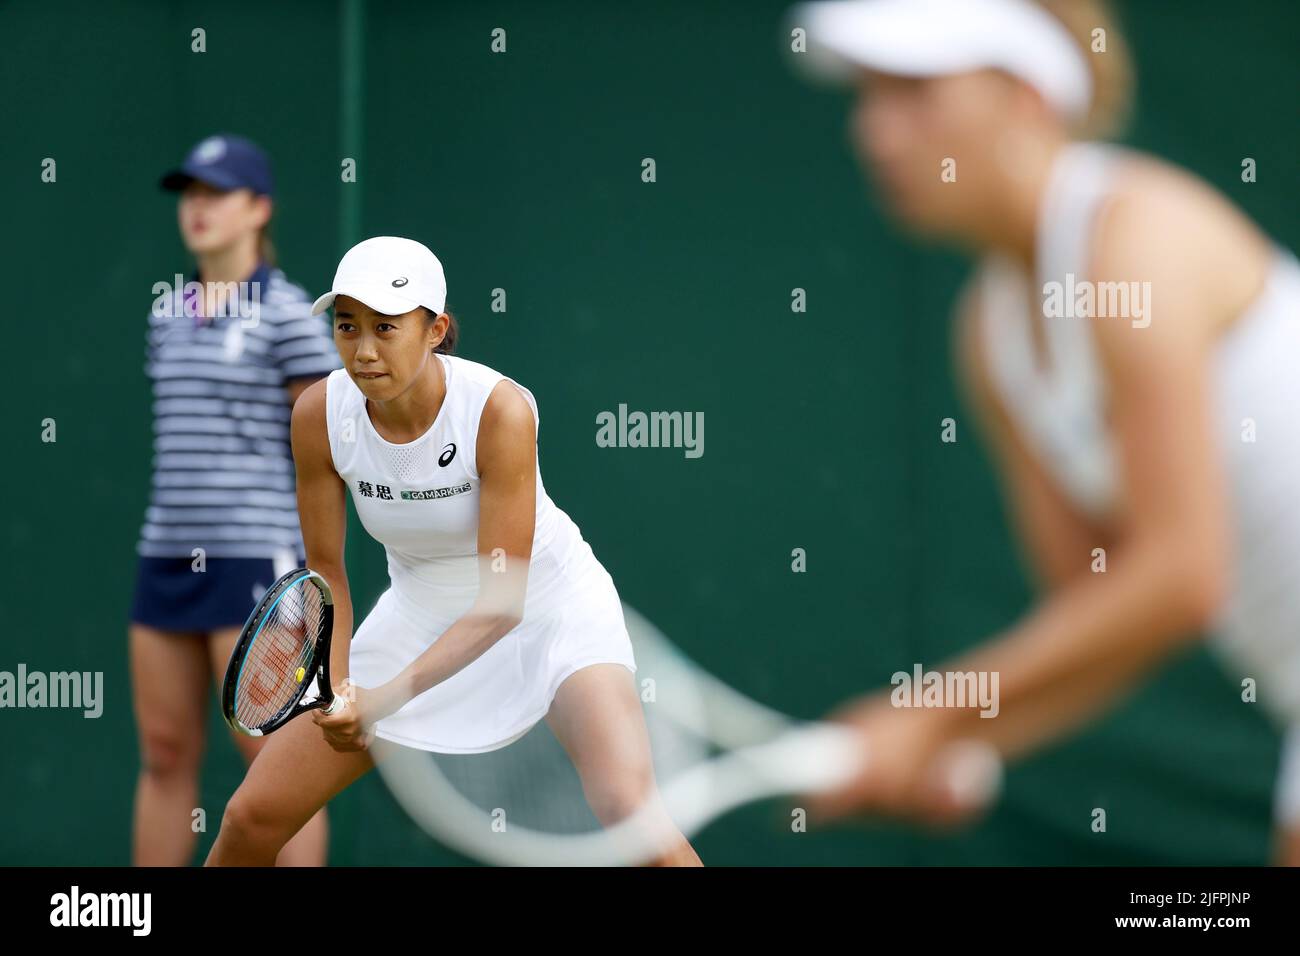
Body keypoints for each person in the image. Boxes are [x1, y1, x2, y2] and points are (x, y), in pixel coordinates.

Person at [787, 0, 1300, 864]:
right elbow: (1102, 615)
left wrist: (929, 713)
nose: (875, 133)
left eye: (915, 92)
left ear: (1026, 97)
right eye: (869, 96)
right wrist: (968, 745)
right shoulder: (990, 336)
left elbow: (1182, 575)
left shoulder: (1136, 243)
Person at [205, 236, 702, 866]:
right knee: (251, 817)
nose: (362, 350)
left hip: (549, 609)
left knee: (629, 815)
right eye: (346, 326)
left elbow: (502, 604)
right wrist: (341, 690)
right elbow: (325, 575)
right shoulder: (318, 415)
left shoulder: (500, 412)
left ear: (435, 329)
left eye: (386, 328)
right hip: (417, 613)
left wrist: (384, 699)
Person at [130, 134, 341, 865]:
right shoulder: (165, 314)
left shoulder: (288, 315)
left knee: (271, 759)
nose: (198, 209)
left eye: (216, 194)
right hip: (163, 556)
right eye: (190, 195)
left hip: (254, 557)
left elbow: (322, 442)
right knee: (163, 751)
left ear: (258, 209)